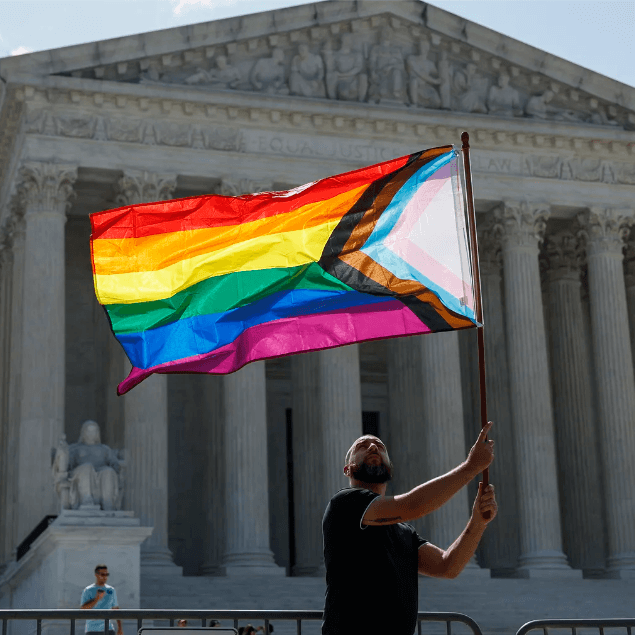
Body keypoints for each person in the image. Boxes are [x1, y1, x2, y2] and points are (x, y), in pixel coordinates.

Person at [322, 423, 497, 635]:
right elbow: (413, 505)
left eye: (379, 445)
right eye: (362, 446)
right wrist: (471, 467)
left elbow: (447, 566)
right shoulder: (344, 504)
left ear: (390, 468)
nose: (372, 447)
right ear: (347, 469)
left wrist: (478, 522)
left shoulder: (403, 532)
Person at [80, 565, 123, 635]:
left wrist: (120, 628)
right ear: (96, 575)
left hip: (108, 629)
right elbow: (83, 609)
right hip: (92, 630)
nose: (105, 577)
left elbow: (115, 609)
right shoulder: (88, 590)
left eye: (107, 574)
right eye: (102, 574)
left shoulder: (111, 590)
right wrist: (96, 599)